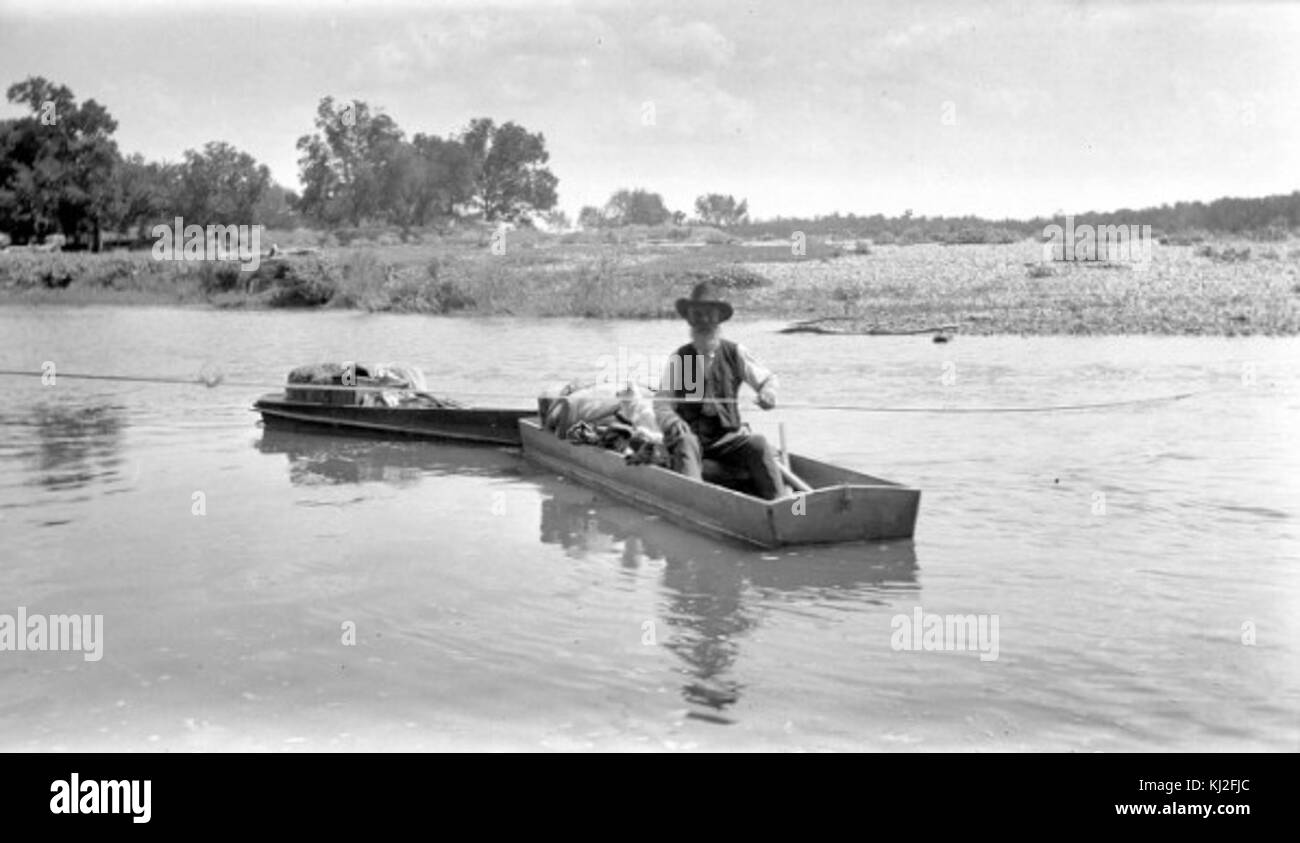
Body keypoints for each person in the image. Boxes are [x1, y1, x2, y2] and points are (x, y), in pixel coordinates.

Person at [654, 282, 787, 499]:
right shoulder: (680, 358)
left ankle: (780, 504)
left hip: (727, 437)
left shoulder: (735, 353)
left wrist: (767, 395)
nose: (704, 321)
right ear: (690, 320)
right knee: (686, 443)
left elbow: (768, 379)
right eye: (698, 315)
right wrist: (672, 421)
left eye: (709, 315)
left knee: (759, 444)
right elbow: (661, 403)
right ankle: (697, 503)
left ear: (718, 319)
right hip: (692, 436)